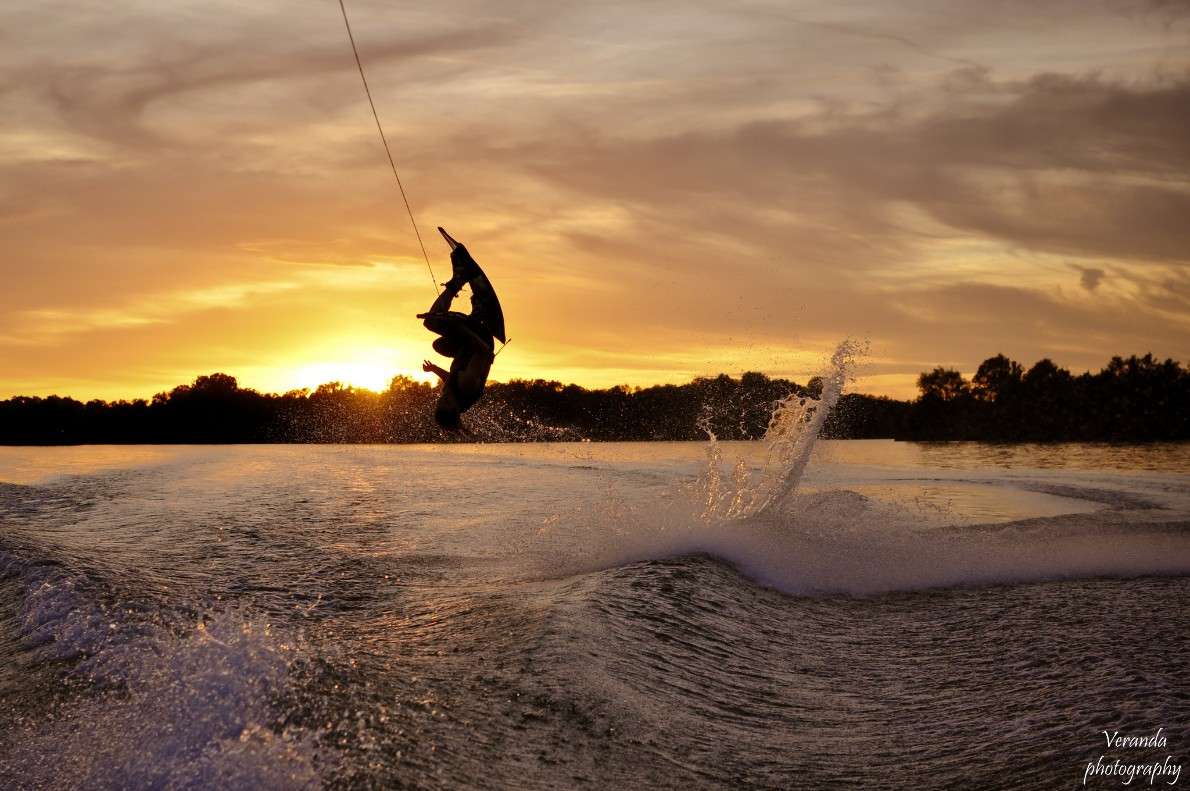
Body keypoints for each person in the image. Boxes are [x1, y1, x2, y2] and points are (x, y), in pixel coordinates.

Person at [419, 228, 504, 430]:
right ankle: (465, 290)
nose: (444, 397)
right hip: (479, 341)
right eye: (446, 402)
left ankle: (476, 311)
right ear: (456, 409)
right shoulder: (468, 387)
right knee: (432, 321)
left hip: (467, 345)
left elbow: (450, 381)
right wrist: (459, 327)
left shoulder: (455, 395)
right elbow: (484, 352)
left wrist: (434, 370)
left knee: (439, 345)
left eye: (440, 400)